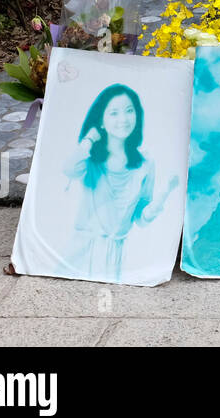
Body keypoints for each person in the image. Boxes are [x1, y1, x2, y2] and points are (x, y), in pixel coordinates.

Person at [64, 84, 178, 282]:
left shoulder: (144, 163)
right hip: (81, 250)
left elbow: (141, 218)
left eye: (129, 111)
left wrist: (164, 194)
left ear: (137, 114)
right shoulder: (90, 158)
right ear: (101, 120)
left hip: (115, 257)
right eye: (114, 113)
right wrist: (90, 137)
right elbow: (69, 169)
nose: (123, 119)